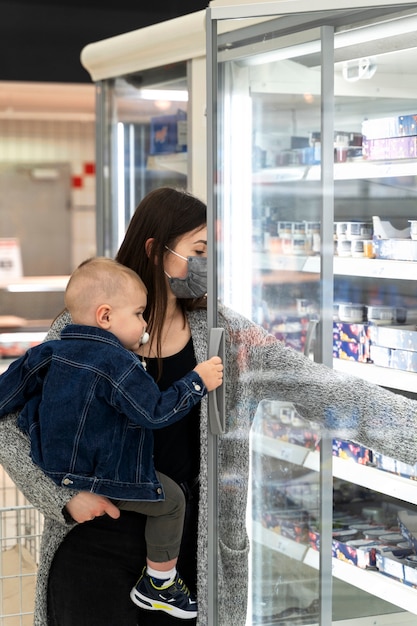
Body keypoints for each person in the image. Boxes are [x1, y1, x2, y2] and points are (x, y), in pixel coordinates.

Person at [0, 187, 417, 626]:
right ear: (154, 249)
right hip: (91, 548)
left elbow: (326, 390)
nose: (209, 264)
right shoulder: (79, 329)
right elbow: (7, 420)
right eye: (199, 250)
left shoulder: (229, 336)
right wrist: (63, 498)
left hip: (186, 560)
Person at [0, 256, 223, 621]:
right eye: (138, 314)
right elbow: (155, 412)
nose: (144, 324)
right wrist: (197, 382)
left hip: (56, 468)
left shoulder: (47, 352)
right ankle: (160, 583)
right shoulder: (118, 364)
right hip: (108, 477)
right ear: (105, 316)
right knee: (172, 503)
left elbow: (6, 395)